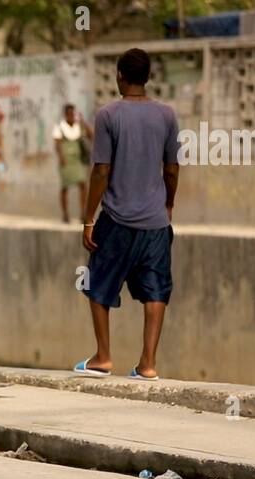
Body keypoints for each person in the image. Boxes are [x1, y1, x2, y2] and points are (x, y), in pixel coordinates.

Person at [75, 48, 179, 382]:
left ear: (119, 76)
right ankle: (147, 364)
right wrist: (169, 204)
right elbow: (172, 168)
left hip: (116, 220)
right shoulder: (167, 115)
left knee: (97, 284)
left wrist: (88, 217)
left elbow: (101, 170)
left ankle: (103, 357)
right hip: (155, 224)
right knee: (156, 289)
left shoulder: (108, 115)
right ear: (147, 78)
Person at [53, 104, 94, 223]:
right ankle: (65, 214)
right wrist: (61, 158)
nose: (71, 116)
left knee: (82, 184)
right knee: (65, 186)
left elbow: (91, 135)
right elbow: (57, 144)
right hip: (66, 161)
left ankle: (83, 213)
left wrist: (82, 121)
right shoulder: (60, 127)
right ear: (66, 114)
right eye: (69, 113)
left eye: (73, 113)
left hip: (78, 160)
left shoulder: (79, 126)